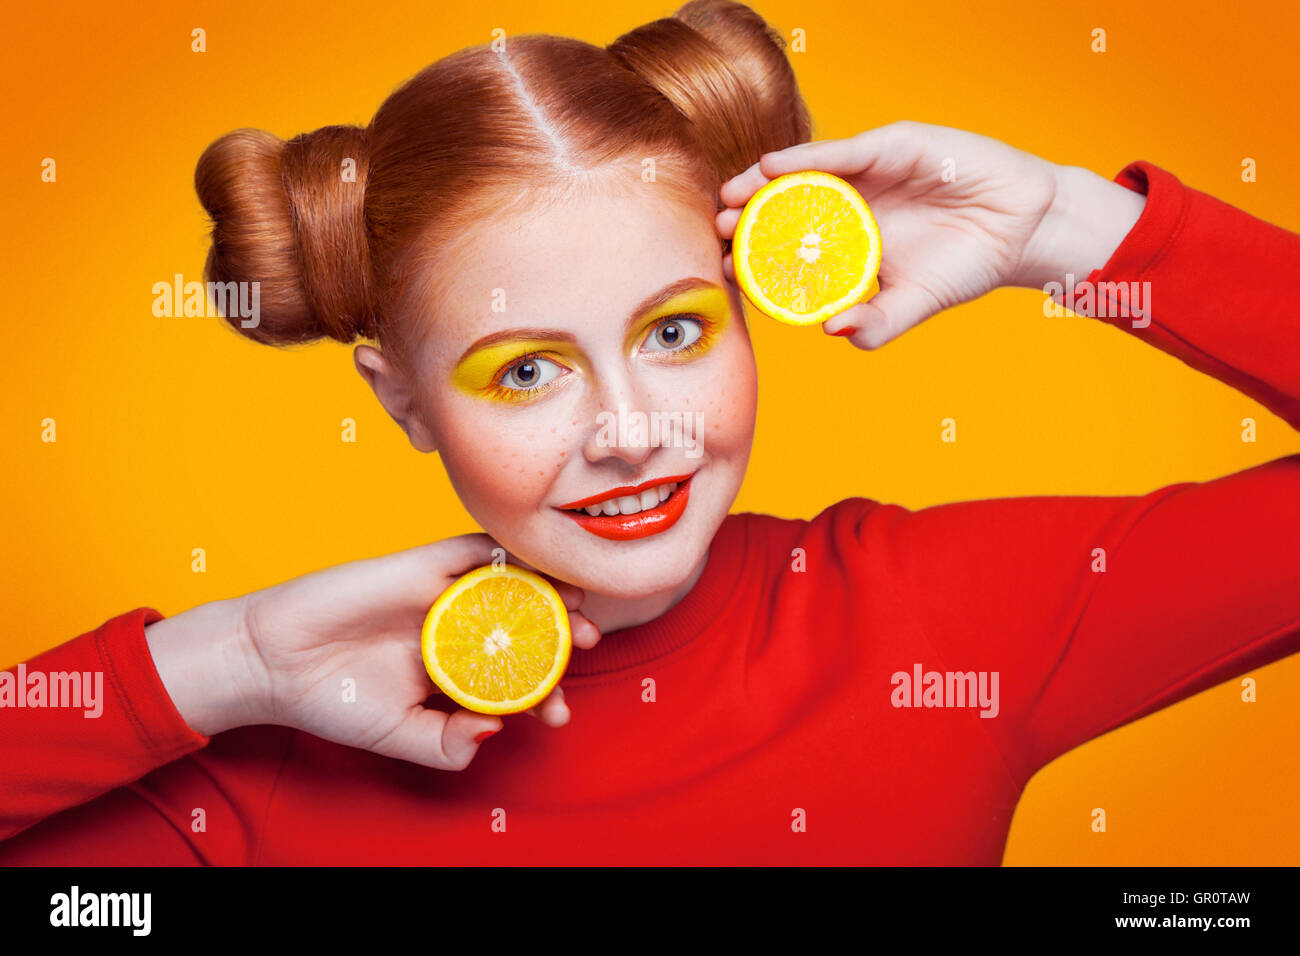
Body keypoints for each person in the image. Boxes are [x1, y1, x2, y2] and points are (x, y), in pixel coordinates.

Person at [1, 0, 1296, 865]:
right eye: (525, 372)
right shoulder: (282, 754)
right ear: (399, 399)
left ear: (749, 307)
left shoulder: (949, 622)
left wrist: (1071, 231)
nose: (628, 433)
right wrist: (210, 665)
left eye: (675, 333)